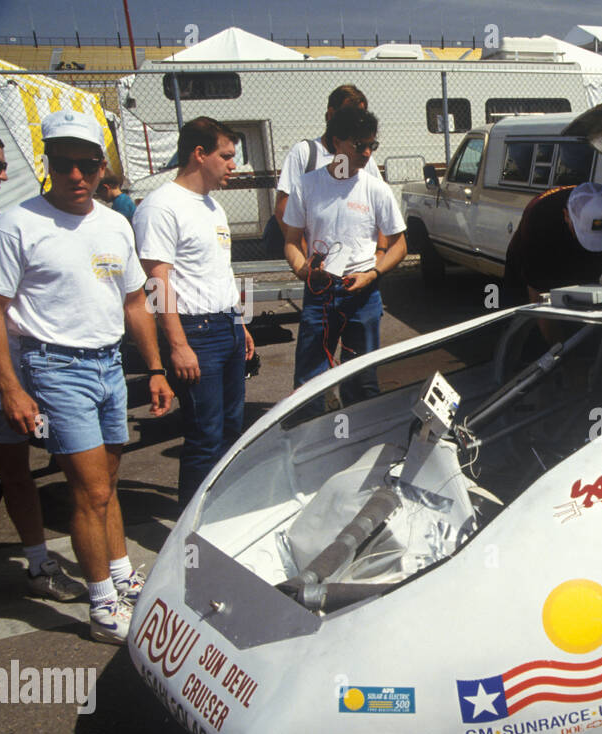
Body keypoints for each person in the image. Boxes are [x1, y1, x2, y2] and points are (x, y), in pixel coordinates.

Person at [0, 110, 173, 643]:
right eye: (65, 164)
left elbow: (136, 302)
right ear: (47, 163)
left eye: (88, 165)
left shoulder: (115, 222)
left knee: (107, 485)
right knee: (89, 490)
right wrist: (10, 386)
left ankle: (119, 575)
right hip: (53, 367)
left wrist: (156, 369)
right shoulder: (17, 223)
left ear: (101, 168)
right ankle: (101, 606)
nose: (77, 176)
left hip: (109, 366)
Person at [134, 116, 256, 508]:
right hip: (195, 333)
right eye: (227, 156)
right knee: (204, 436)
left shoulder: (214, 208)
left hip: (227, 326)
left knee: (231, 430)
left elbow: (221, 271)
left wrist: (241, 322)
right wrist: (178, 345)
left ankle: (220, 511)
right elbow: (157, 281)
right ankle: (191, 529)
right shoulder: (161, 207)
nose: (233, 165)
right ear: (199, 154)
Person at [0, 130, 86, 602]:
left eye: (2, 166)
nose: (3, 175)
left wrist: (12, 385)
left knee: (16, 473)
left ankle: (37, 564)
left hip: (3, 378)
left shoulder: (6, 224)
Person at [282, 106, 406, 407]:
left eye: (371, 145)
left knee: (362, 381)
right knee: (309, 383)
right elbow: (291, 241)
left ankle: (359, 445)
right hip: (320, 292)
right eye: (358, 145)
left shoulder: (376, 189)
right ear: (336, 142)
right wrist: (303, 270)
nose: (366, 153)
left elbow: (400, 245)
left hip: (363, 292)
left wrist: (373, 274)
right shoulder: (307, 186)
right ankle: (310, 446)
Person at [269, 84, 384, 259]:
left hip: (359, 268)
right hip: (318, 266)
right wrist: (306, 257)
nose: (357, 121)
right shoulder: (305, 152)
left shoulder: (365, 158)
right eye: (349, 114)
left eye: (361, 115)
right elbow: (283, 209)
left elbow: (382, 209)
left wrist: (379, 256)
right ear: (331, 114)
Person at [503, 181, 602, 305]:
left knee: (585, 303)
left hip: (585, 268)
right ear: (566, 216)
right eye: (587, 236)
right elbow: (537, 294)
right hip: (531, 264)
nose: (596, 247)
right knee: (520, 314)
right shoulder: (540, 220)